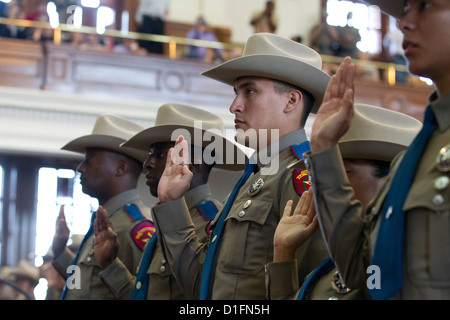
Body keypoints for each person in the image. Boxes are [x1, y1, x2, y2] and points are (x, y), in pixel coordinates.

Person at [153, 33, 331, 299]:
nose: (234, 106)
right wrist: (171, 201)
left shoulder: (301, 176)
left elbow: (312, 288)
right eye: (236, 93)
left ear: (291, 101)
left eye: (250, 91)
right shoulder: (255, 179)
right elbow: (200, 287)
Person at [305, 0, 450, 300]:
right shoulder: (414, 157)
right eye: (405, 8)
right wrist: (323, 147)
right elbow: (362, 269)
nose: (403, 22)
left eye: (424, 6)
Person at [266, 103, 422, 300]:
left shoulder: (397, 260)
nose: (327, 186)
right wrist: (284, 251)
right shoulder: (337, 259)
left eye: (341, 173)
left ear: (390, 181)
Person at [93, 103, 247, 300]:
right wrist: (110, 265)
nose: (147, 163)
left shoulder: (212, 224)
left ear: (195, 163)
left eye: (158, 154)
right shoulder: (170, 218)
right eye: (150, 154)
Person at [51, 114, 154, 300]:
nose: (80, 168)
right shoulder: (107, 220)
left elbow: (145, 295)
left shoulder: (136, 226)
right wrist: (60, 252)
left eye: (89, 160)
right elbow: (86, 287)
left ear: (120, 168)